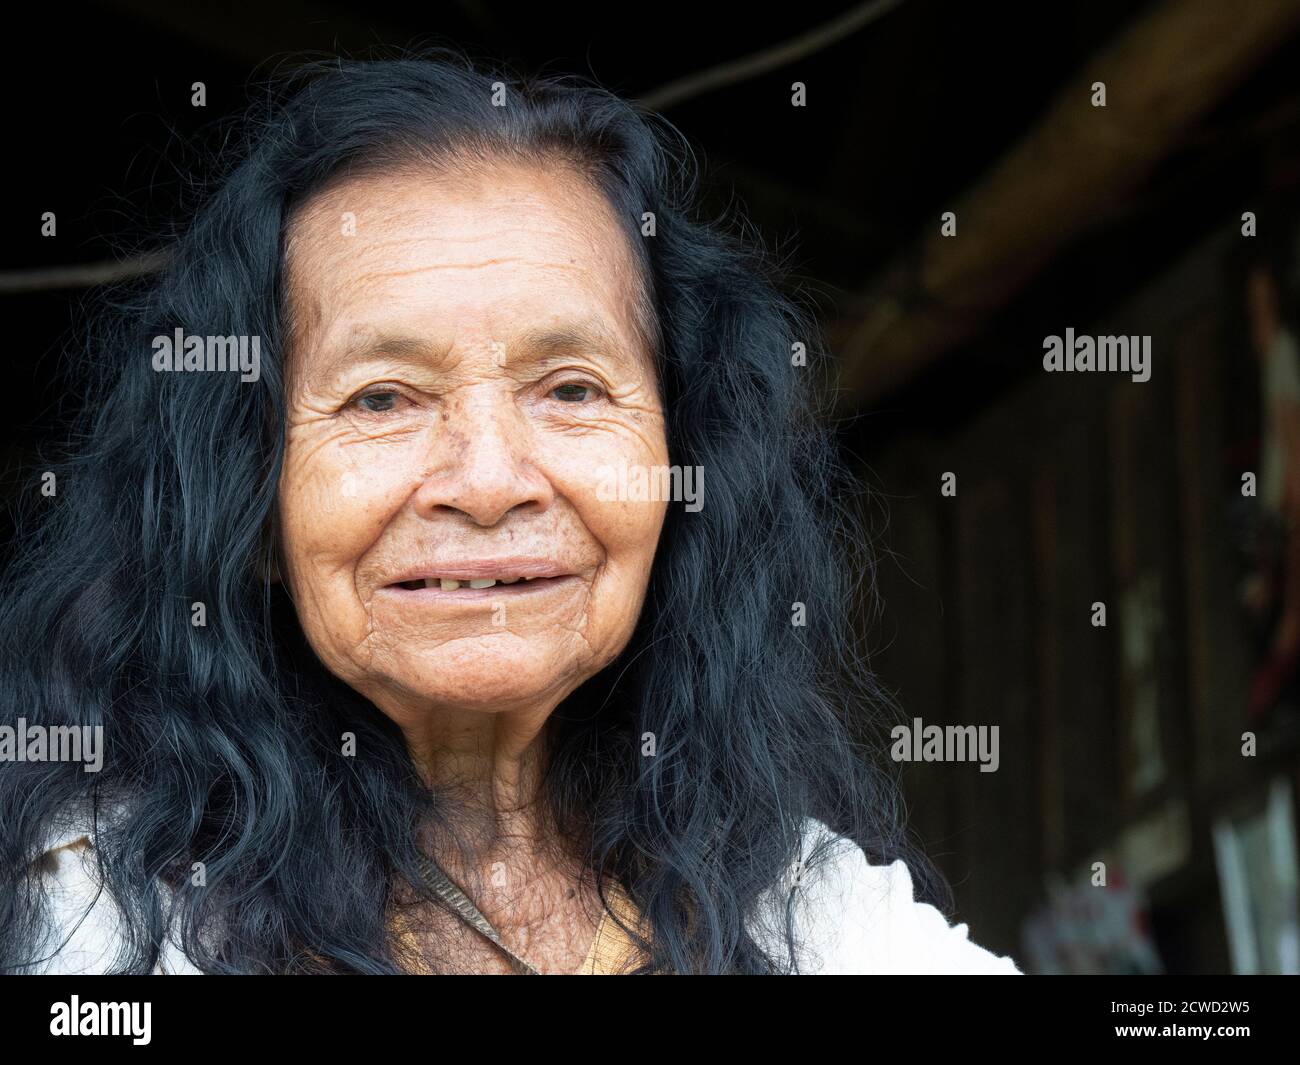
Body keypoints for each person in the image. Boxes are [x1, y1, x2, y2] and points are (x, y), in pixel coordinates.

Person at [1, 50, 1019, 975]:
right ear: (251, 501)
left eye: (571, 389)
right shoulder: (88, 911)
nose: (489, 484)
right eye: (381, 399)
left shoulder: (801, 909)